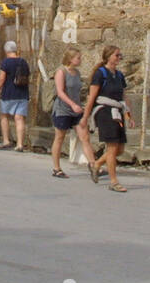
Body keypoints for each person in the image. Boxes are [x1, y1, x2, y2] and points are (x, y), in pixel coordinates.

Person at [82, 45, 133, 190]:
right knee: (112, 148)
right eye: (117, 55)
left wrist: (129, 114)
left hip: (118, 112)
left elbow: (124, 96)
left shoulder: (119, 75)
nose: (119, 58)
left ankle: (97, 164)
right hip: (105, 112)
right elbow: (92, 96)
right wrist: (86, 117)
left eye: (119, 55)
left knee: (120, 149)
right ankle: (114, 181)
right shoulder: (100, 74)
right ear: (109, 56)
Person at [49, 47, 99, 179]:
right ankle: (56, 167)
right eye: (78, 57)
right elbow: (60, 92)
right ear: (71, 59)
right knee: (59, 137)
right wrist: (72, 104)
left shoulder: (76, 73)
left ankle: (93, 165)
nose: (80, 60)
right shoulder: (61, 72)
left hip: (76, 109)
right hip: (63, 109)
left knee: (85, 137)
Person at [0, 40, 32, 151]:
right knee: (19, 118)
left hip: (8, 93)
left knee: (4, 116)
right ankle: (20, 144)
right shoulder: (23, 62)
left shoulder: (6, 62)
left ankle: (6, 140)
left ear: (6, 51)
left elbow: (2, 78)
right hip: (22, 93)